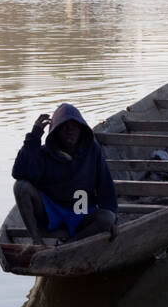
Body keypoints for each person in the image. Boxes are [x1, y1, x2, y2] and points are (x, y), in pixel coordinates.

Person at [11, 104, 118, 254]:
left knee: (107, 218)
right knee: (20, 187)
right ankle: (37, 242)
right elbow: (20, 173)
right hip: (51, 211)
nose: (70, 131)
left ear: (81, 129)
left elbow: (105, 186)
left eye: (74, 126)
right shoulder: (44, 153)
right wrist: (34, 136)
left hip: (81, 209)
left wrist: (114, 218)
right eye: (64, 127)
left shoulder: (92, 150)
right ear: (55, 132)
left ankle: (68, 245)